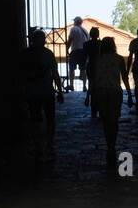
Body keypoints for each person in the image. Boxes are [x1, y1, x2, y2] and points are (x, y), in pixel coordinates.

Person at [20, 28, 63, 158]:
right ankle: (49, 145)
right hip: (46, 91)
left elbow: (20, 75)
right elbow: (55, 74)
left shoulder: (25, 54)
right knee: (49, 119)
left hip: (32, 92)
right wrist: (60, 91)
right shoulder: (48, 54)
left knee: (35, 119)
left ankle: (38, 145)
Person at [88, 35, 126, 167]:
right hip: (115, 92)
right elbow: (125, 77)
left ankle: (109, 146)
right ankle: (112, 146)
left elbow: (92, 80)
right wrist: (131, 96)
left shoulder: (96, 60)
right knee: (114, 120)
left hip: (101, 92)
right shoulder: (119, 59)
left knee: (105, 121)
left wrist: (88, 96)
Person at [64, 17, 88, 92]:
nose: (73, 22)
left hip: (75, 51)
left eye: (74, 21)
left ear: (76, 22)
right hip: (84, 52)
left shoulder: (73, 29)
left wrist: (67, 49)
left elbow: (70, 40)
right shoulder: (85, 31)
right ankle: (84, 86)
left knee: (71, 69)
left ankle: (71, 85)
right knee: (83, 69)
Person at [82, 26, 102, 114]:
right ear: (98, 34)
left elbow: (84, 57)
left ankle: (89, 100)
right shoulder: (101, 43)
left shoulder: (86, 44)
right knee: (100, 85)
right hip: (101, 66)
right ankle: (100, 105)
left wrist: (82, 70)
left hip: (90, 66)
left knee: (91, 83)